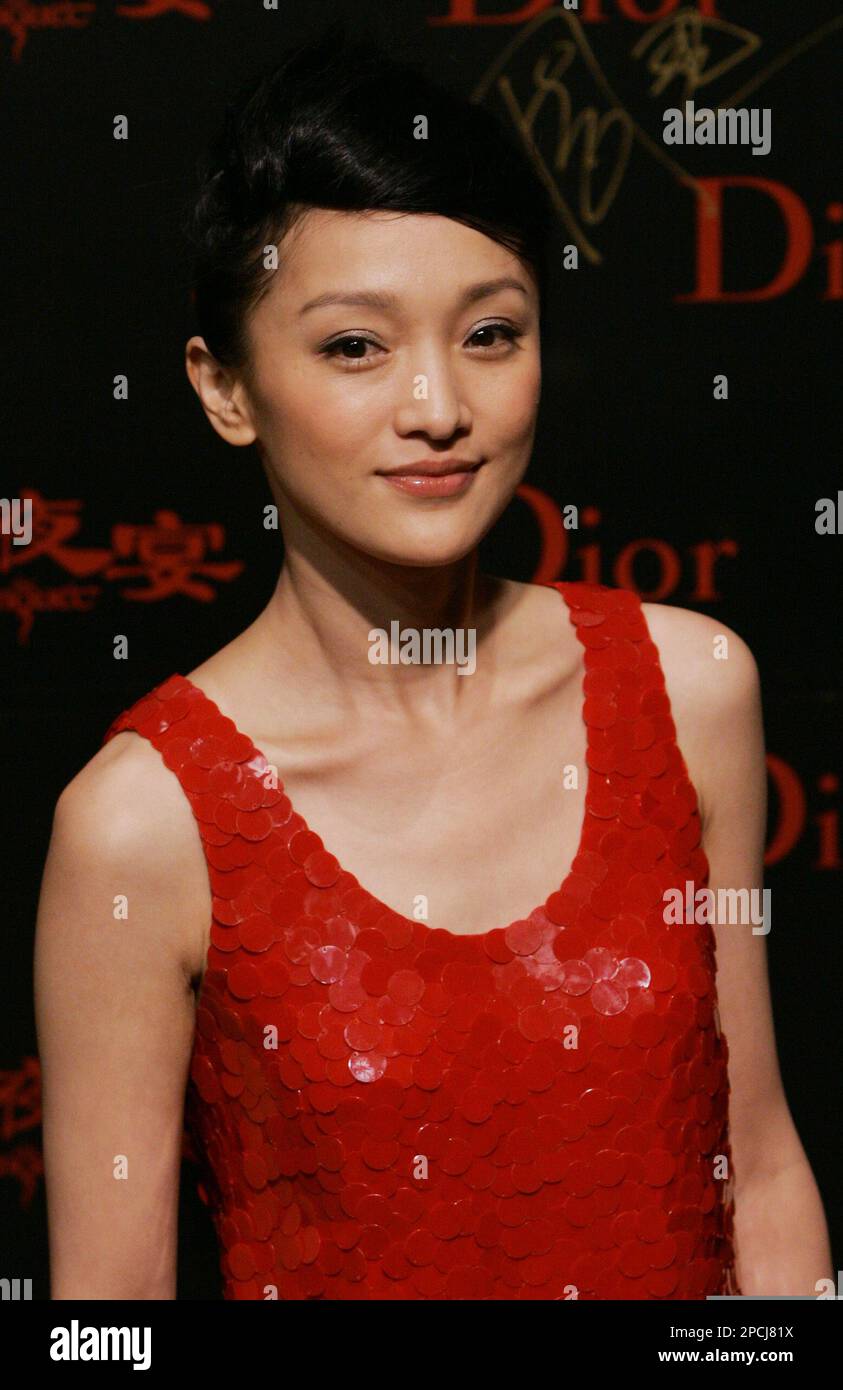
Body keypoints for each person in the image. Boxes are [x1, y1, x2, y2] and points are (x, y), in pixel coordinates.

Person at [34, 26, 830, 1301]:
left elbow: (761, 1162)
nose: (436, 407)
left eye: (491, 334)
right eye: (355, 346)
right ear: (224, 387)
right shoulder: (141, 824)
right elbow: (103, 1321)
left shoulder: (692, 688)